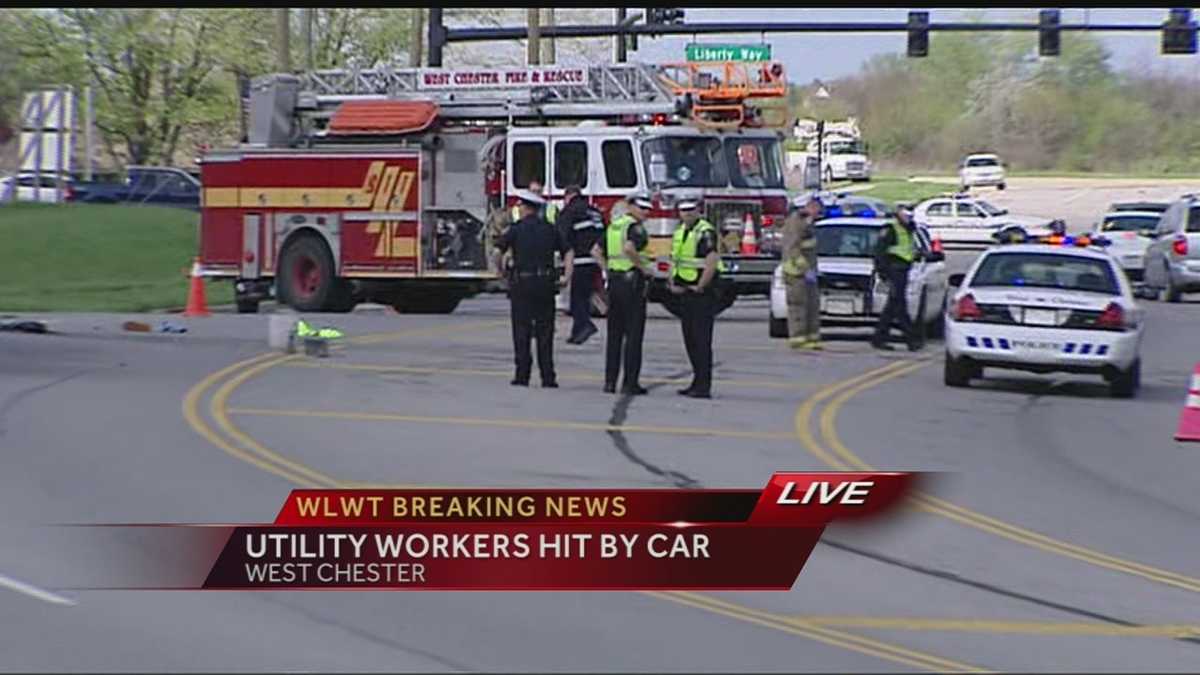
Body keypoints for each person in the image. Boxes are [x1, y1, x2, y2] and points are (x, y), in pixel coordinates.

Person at [495, 191, 573, 387]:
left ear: (526, 207)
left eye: (520, 206)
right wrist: (567, 276)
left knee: (521, 331)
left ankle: (522, 375)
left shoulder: (515, 229)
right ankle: (548, 376)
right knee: (545, 332)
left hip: (522, 285)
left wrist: (501, 272)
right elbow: (569, 251)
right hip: (545, 285)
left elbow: (497, 252)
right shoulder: (550, 229)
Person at [595, 192, 653, 395]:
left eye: (648, 209)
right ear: (632, 208)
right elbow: (629, 248)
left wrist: (607, 270)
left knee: (614, 336)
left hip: (615, 283)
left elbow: (596, 251)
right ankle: (630, 383)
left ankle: (610, 382)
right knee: (634, 335)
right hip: (632, 284)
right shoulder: (635, 228)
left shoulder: (614, 226)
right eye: (643, 208)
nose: (646, 213)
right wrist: (644, 268)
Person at [668, 197, 724, 399]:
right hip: (685, 291)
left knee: (701, 340)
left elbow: (711, 261)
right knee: (690, 339)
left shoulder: (705, 232)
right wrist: (672, 282)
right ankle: (696, 381)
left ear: (699, 211)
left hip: (702, 293)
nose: (687, 214)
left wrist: (701, 286)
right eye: (683, 211)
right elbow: (676, 260)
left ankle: (703, 385)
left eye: (691, 210)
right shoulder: (680, 231)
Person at [872, 205, 921, 352]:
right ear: (898, 216)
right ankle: (911, 339)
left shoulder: (908, 230)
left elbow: (909, 250)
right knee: (899, 306)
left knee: (892, 307)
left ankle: (879, 338)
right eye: (906, 216)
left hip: (903, 270)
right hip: (894, 271)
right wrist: (883, 272)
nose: (909, 219)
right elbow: (879, 252)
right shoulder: (891, 230)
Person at [781, 193, 824, 350]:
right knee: (798, 306)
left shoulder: (808, 222)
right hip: (795, 273)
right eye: (816, 207)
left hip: (807, 272)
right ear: (808, 206)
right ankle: (798, 337)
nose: (818, 211)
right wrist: (804, 268)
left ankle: (812, 337)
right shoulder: (795, 221)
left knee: (812, 305)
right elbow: (791, 248)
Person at [561, 190, 604, 345]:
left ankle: (585, 325)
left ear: (568, 196)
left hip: (580, 259)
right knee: (584, 297)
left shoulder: (570, 211)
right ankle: (577, 332)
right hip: (597, 260)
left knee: (577, 299)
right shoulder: (594, 211)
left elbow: (563, 236)